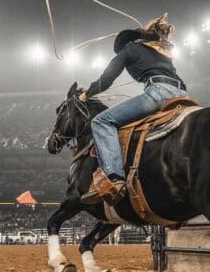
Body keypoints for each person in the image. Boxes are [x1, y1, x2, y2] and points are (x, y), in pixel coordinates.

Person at [79, 14, 187, 205]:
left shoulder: (130, 49)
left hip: (158, 92)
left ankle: (115, 177)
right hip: (182, 95)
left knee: (102, 121)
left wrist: (87, 94)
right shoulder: (162, 51)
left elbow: (107, 78)